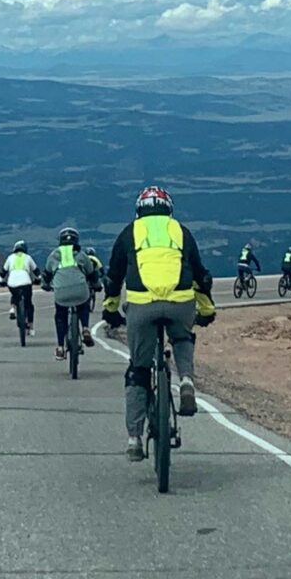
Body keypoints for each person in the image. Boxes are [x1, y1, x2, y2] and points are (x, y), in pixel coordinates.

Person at [102, 186, 216, 461]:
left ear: (139, 210)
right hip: (180, 302)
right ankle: (186, 381)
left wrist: (110, 309)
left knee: (138, 370)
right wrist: (207, 309)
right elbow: (200, 276)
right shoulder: (181, 231)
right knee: (182, 337)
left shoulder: (130, 232)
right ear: (169, 210)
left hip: (142, 305)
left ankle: (134, 439)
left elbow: (114, 277)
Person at [41, 226, 101, 358]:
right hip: (80, 290)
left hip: (61, 293)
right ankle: (85, 328)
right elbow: (92, 274)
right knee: (84, 304)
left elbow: (46, 275)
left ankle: (60, 347)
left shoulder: (53, 256)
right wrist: (97, 286)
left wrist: (45, 285)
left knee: (60, 315)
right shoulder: (81, 255)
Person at [0, 239, 38, 338]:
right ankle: (31, 326)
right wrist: (39, 279)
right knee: (29, 304)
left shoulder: (10, 257)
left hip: (12, 282)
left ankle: (13, 308)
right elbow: (36, 271)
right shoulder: (28, 257)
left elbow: (3, 271)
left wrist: (1, 281)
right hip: (26, 282)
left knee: (15, 294)